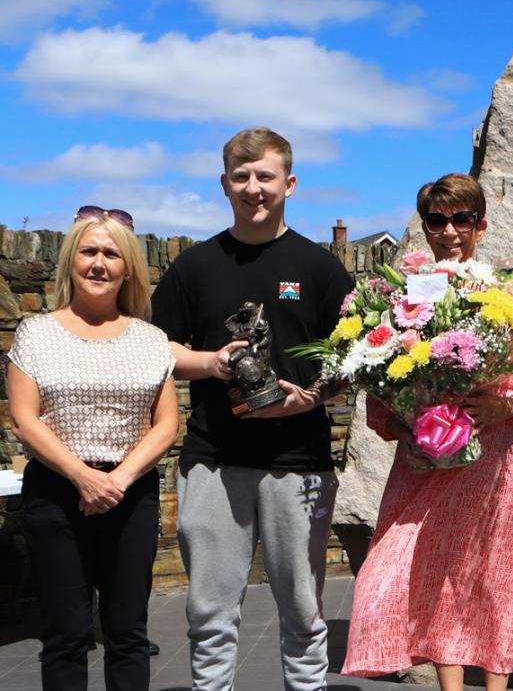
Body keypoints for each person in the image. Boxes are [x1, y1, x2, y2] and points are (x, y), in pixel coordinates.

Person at [150, 127, 354, 690]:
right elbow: (159, 347)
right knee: (209, 614)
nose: (253, 187)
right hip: (214, 457)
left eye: (265, 176)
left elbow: (355, 356)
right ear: (224, 184)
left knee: (304, 611)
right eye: (241, 177)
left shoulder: (321, 269)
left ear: (289, 183)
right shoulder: (195, 266)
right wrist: (211, 363)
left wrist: (311, 397)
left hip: (298, 459)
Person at [341, 173, 513, 691]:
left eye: (462, 219)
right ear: (425, 228)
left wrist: (503, 404)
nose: (450, 231)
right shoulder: (404, 298)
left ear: (480, 226)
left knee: (490, 577)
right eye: (437, 220)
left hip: (494, 463)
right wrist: (408, 412)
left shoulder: (511, 293)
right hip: (426, 461)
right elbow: (380, 394)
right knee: (428, 575)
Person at [9, 208, 178, 690]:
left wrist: (115, 480)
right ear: (71, 261)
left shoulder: (151, 339)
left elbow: (166, 424)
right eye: (89, 252)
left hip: (129, 494)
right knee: (65, 633)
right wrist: (82, 477)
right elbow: (24, 419)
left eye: (111, 253)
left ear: (127, 267)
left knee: (128, 632)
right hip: (57, 494)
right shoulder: (35, 333)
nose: (99, 263)